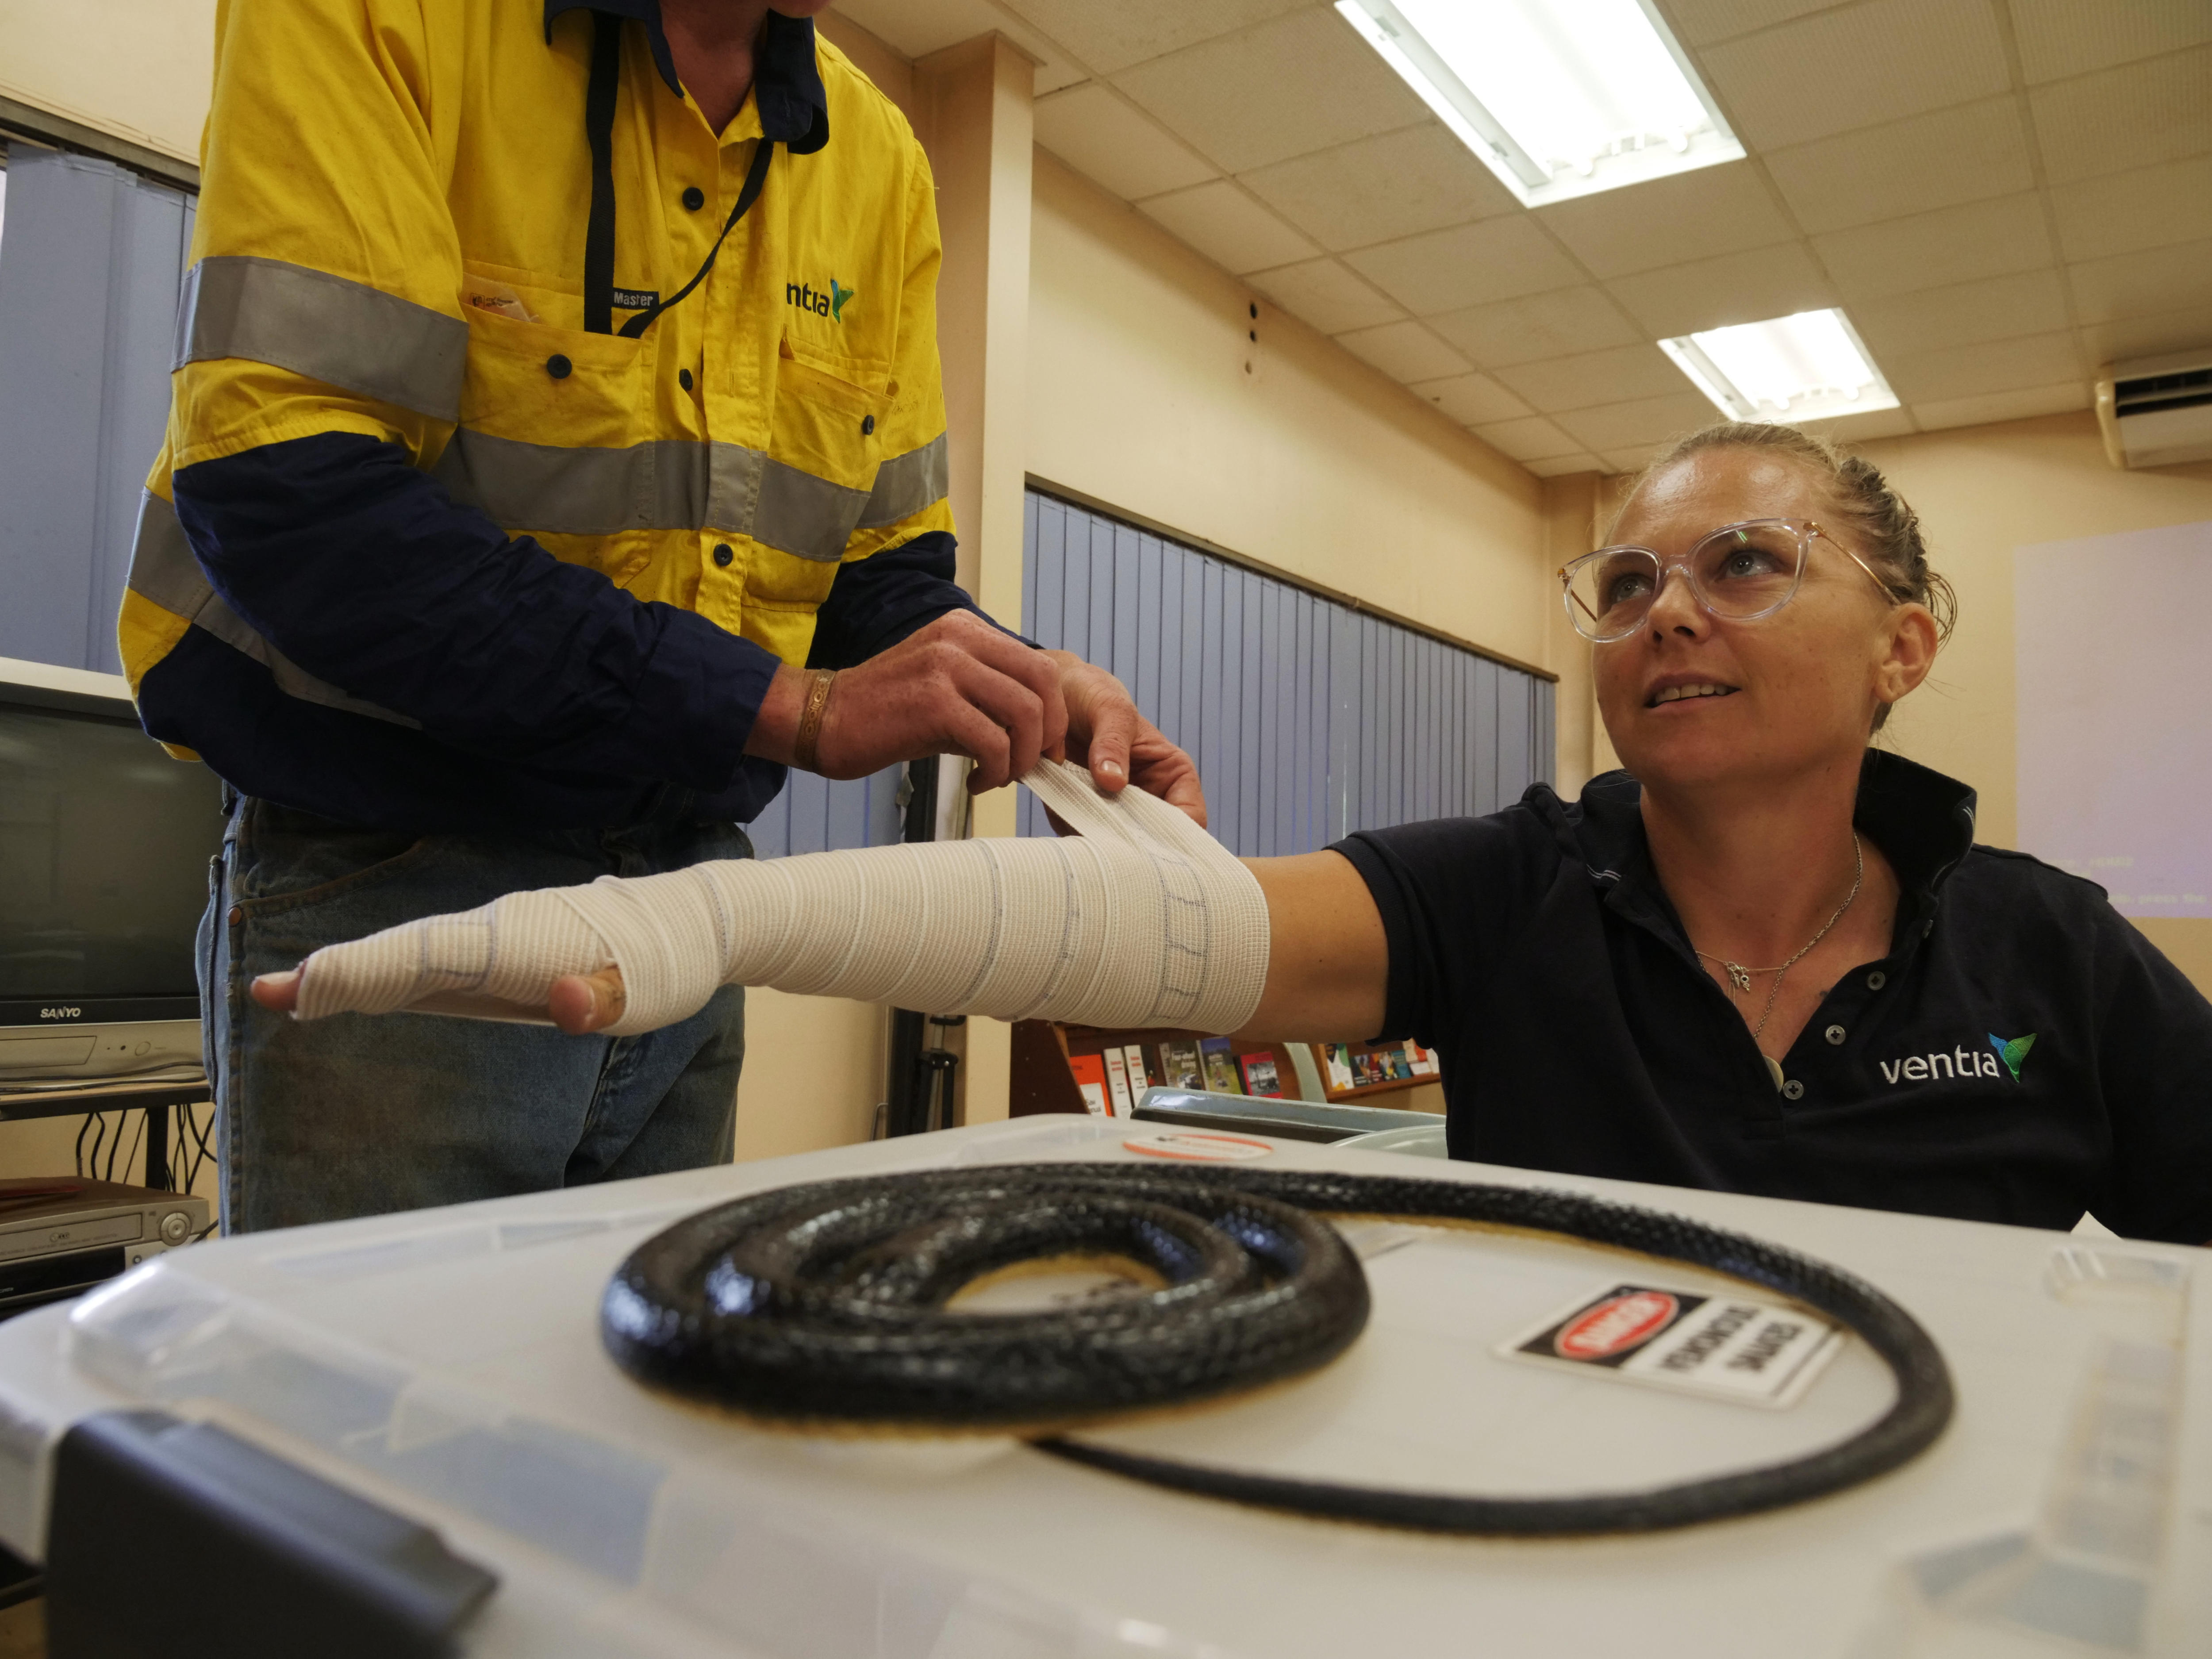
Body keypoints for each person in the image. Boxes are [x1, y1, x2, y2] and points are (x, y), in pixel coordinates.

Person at [257, 423, 2212, 1246]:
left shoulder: (2049, 953)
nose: (1665, 610)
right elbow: (1155, 942)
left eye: (1742, 564)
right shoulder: (1509, 886)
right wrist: (690, 922)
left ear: (1904, 645)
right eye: (1622, 581)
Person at [121, 0, 1199, 1233]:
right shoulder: (383, 16)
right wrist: (785, 706)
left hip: (692, 914)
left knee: (645, 1400)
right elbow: (289, 491)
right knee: (377, 1424)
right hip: (400, 882)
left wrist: (1023, 680)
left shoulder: (878, 160)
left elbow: (876, 581)